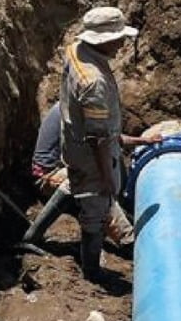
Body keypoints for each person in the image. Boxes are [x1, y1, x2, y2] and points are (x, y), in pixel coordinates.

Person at [60, 6, 160, 283]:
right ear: (103, 40)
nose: (123, 43)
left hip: (77, 143)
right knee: (96, 212)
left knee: (97, 201)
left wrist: (138, 141)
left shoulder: (75, 51)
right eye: (119, 38)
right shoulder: (95, 83)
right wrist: (106, 180)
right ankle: (92, 271)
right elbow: (98, 139)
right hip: (90, 157)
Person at [22, 102, 134, 248]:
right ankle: (128, 240)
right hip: (47, 176)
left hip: (64, 169)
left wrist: (144, 141)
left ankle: (122, 207)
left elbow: (112, 139)